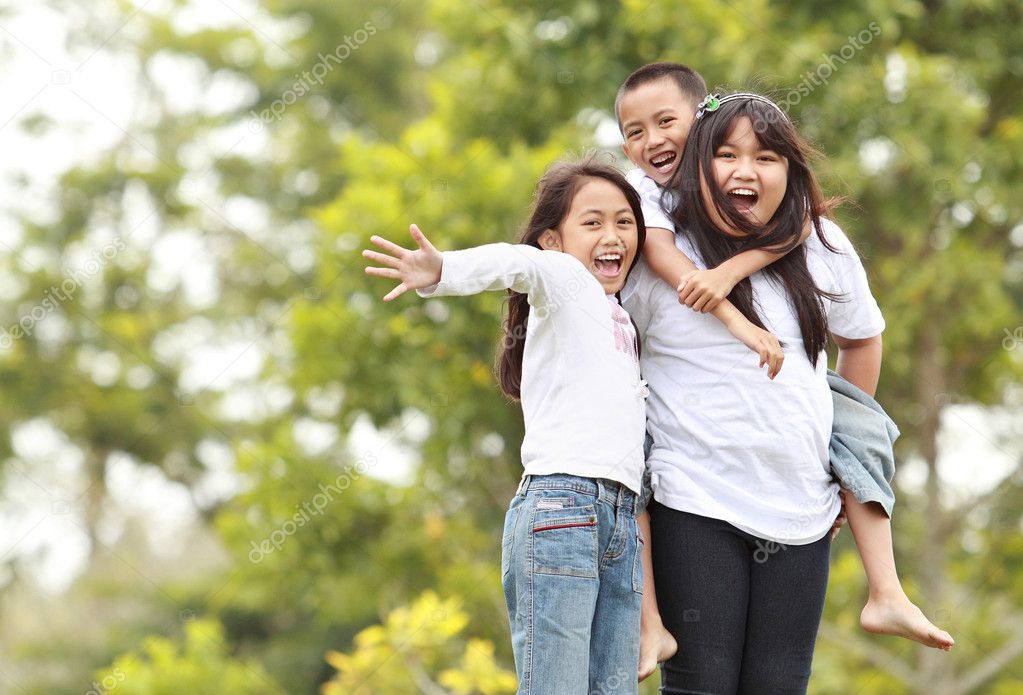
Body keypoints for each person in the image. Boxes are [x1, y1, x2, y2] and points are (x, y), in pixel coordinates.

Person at [621, 92, 953, 693]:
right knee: (703, 682)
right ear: (697, 162)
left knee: (779, 684)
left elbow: (862, 339)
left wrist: (839, 452)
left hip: (801, 510)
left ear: (789, 170)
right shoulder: (661, 250)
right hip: (694, 499)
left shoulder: (822, 244)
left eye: (766, 157)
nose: (744, 170)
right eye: (726, 154)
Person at [363, 158, 653, 694]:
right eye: (592, 222)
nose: (613, 236)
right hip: (563, 509)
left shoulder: (624, 319)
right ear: (554, 241)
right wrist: (443, 270)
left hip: (620, 520)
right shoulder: (565, 279)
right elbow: (515, 262)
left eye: (624, 222)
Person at [616, 61, 817, 680]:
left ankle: (886, 587)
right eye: (633, 131)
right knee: (702, 675)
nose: (652, 141)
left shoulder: (750, 193)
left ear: (700, 125)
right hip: (690, 481)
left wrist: (732, 269)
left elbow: (800, 224)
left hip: (795, 495)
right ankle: (650, 627)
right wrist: (735, 317)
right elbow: (661, 254)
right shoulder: (644, 194)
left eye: (666, 122)